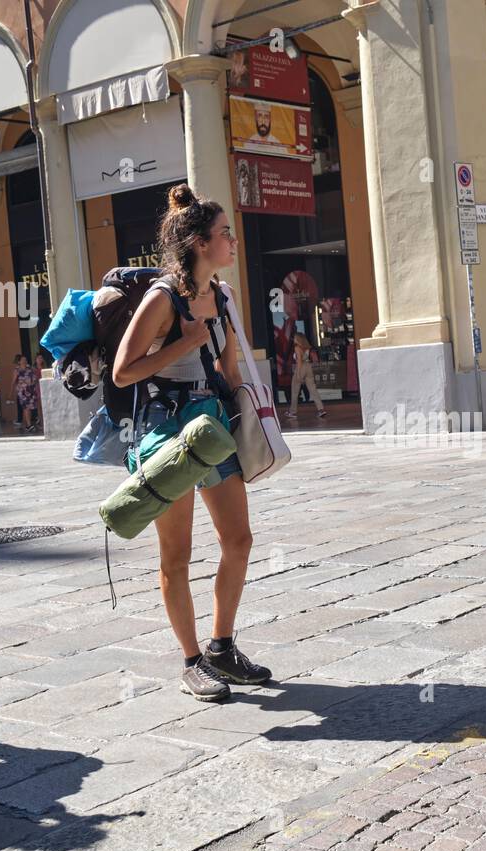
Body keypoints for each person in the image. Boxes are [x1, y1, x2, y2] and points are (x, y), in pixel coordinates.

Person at [112, 184, 270, 702]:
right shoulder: (162, 298)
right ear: (201, 243)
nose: (234, 241)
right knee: (176, 553)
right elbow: (122, 372)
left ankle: (222, 646)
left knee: (239, 540)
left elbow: (226, 365)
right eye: (225, 233)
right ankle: (191, 660)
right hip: (167, 431)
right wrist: (184, 342)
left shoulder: (221, 296)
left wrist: (232, 381)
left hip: (214, 425)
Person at [285, 329, 325, 420]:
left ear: (298, 339)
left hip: (301, 367)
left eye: (295, 338)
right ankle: (321, 409)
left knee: (295, 390)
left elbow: (299, 361)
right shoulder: (307, 347)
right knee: (313, 389)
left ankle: (292, 412)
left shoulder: (297, 348)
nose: (293, 339)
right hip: (308, 366)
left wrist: (298, 374)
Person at [13, 354, 39, 432]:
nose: (24, 361)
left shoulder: (30, 369)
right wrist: (11, 392)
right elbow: (13, 381)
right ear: (19, 362)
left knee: (31, 407)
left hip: (31, 390)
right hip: (22, 392)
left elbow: (35, 378)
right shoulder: (17, 370)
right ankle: (29, 424)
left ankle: (29, 423)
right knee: (26, 407)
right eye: (23, 360)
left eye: (25, 360)